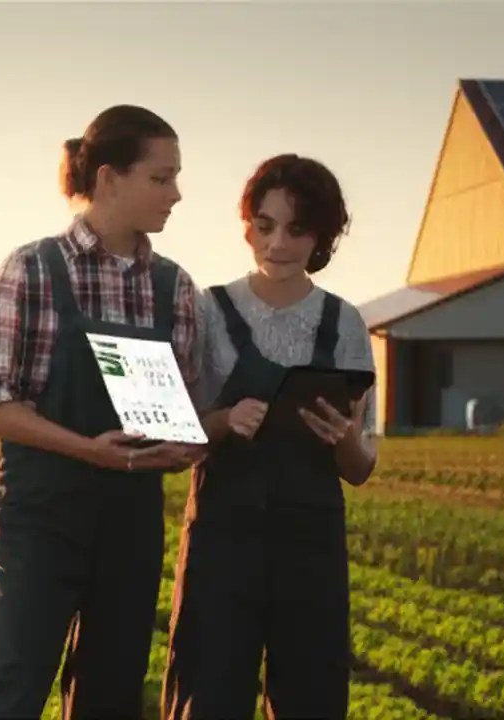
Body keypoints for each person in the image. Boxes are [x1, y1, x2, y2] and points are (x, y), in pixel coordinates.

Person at [0, 104, 206, 720]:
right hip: (39, 520)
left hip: (130, 523)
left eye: (176, 177)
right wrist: (90, 450)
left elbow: (183, 411)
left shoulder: (174, 287)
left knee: (110, 698)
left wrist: (182, 445)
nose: (175, 194)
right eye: (161, 177)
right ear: (107, 178)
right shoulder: (33, 269)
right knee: (10, 695)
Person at [161, 153, 378, 719]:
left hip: (310, 543)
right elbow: (175, 437)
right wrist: (224, 420)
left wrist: (344, 439)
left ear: (322, 237)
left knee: (312, 696)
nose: (276, 243)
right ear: (246, 224)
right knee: (206, 696)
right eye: (264, 225)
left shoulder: (345, 323)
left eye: (296, 229)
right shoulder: (208, 311)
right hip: (221, 539)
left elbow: (360, 467)